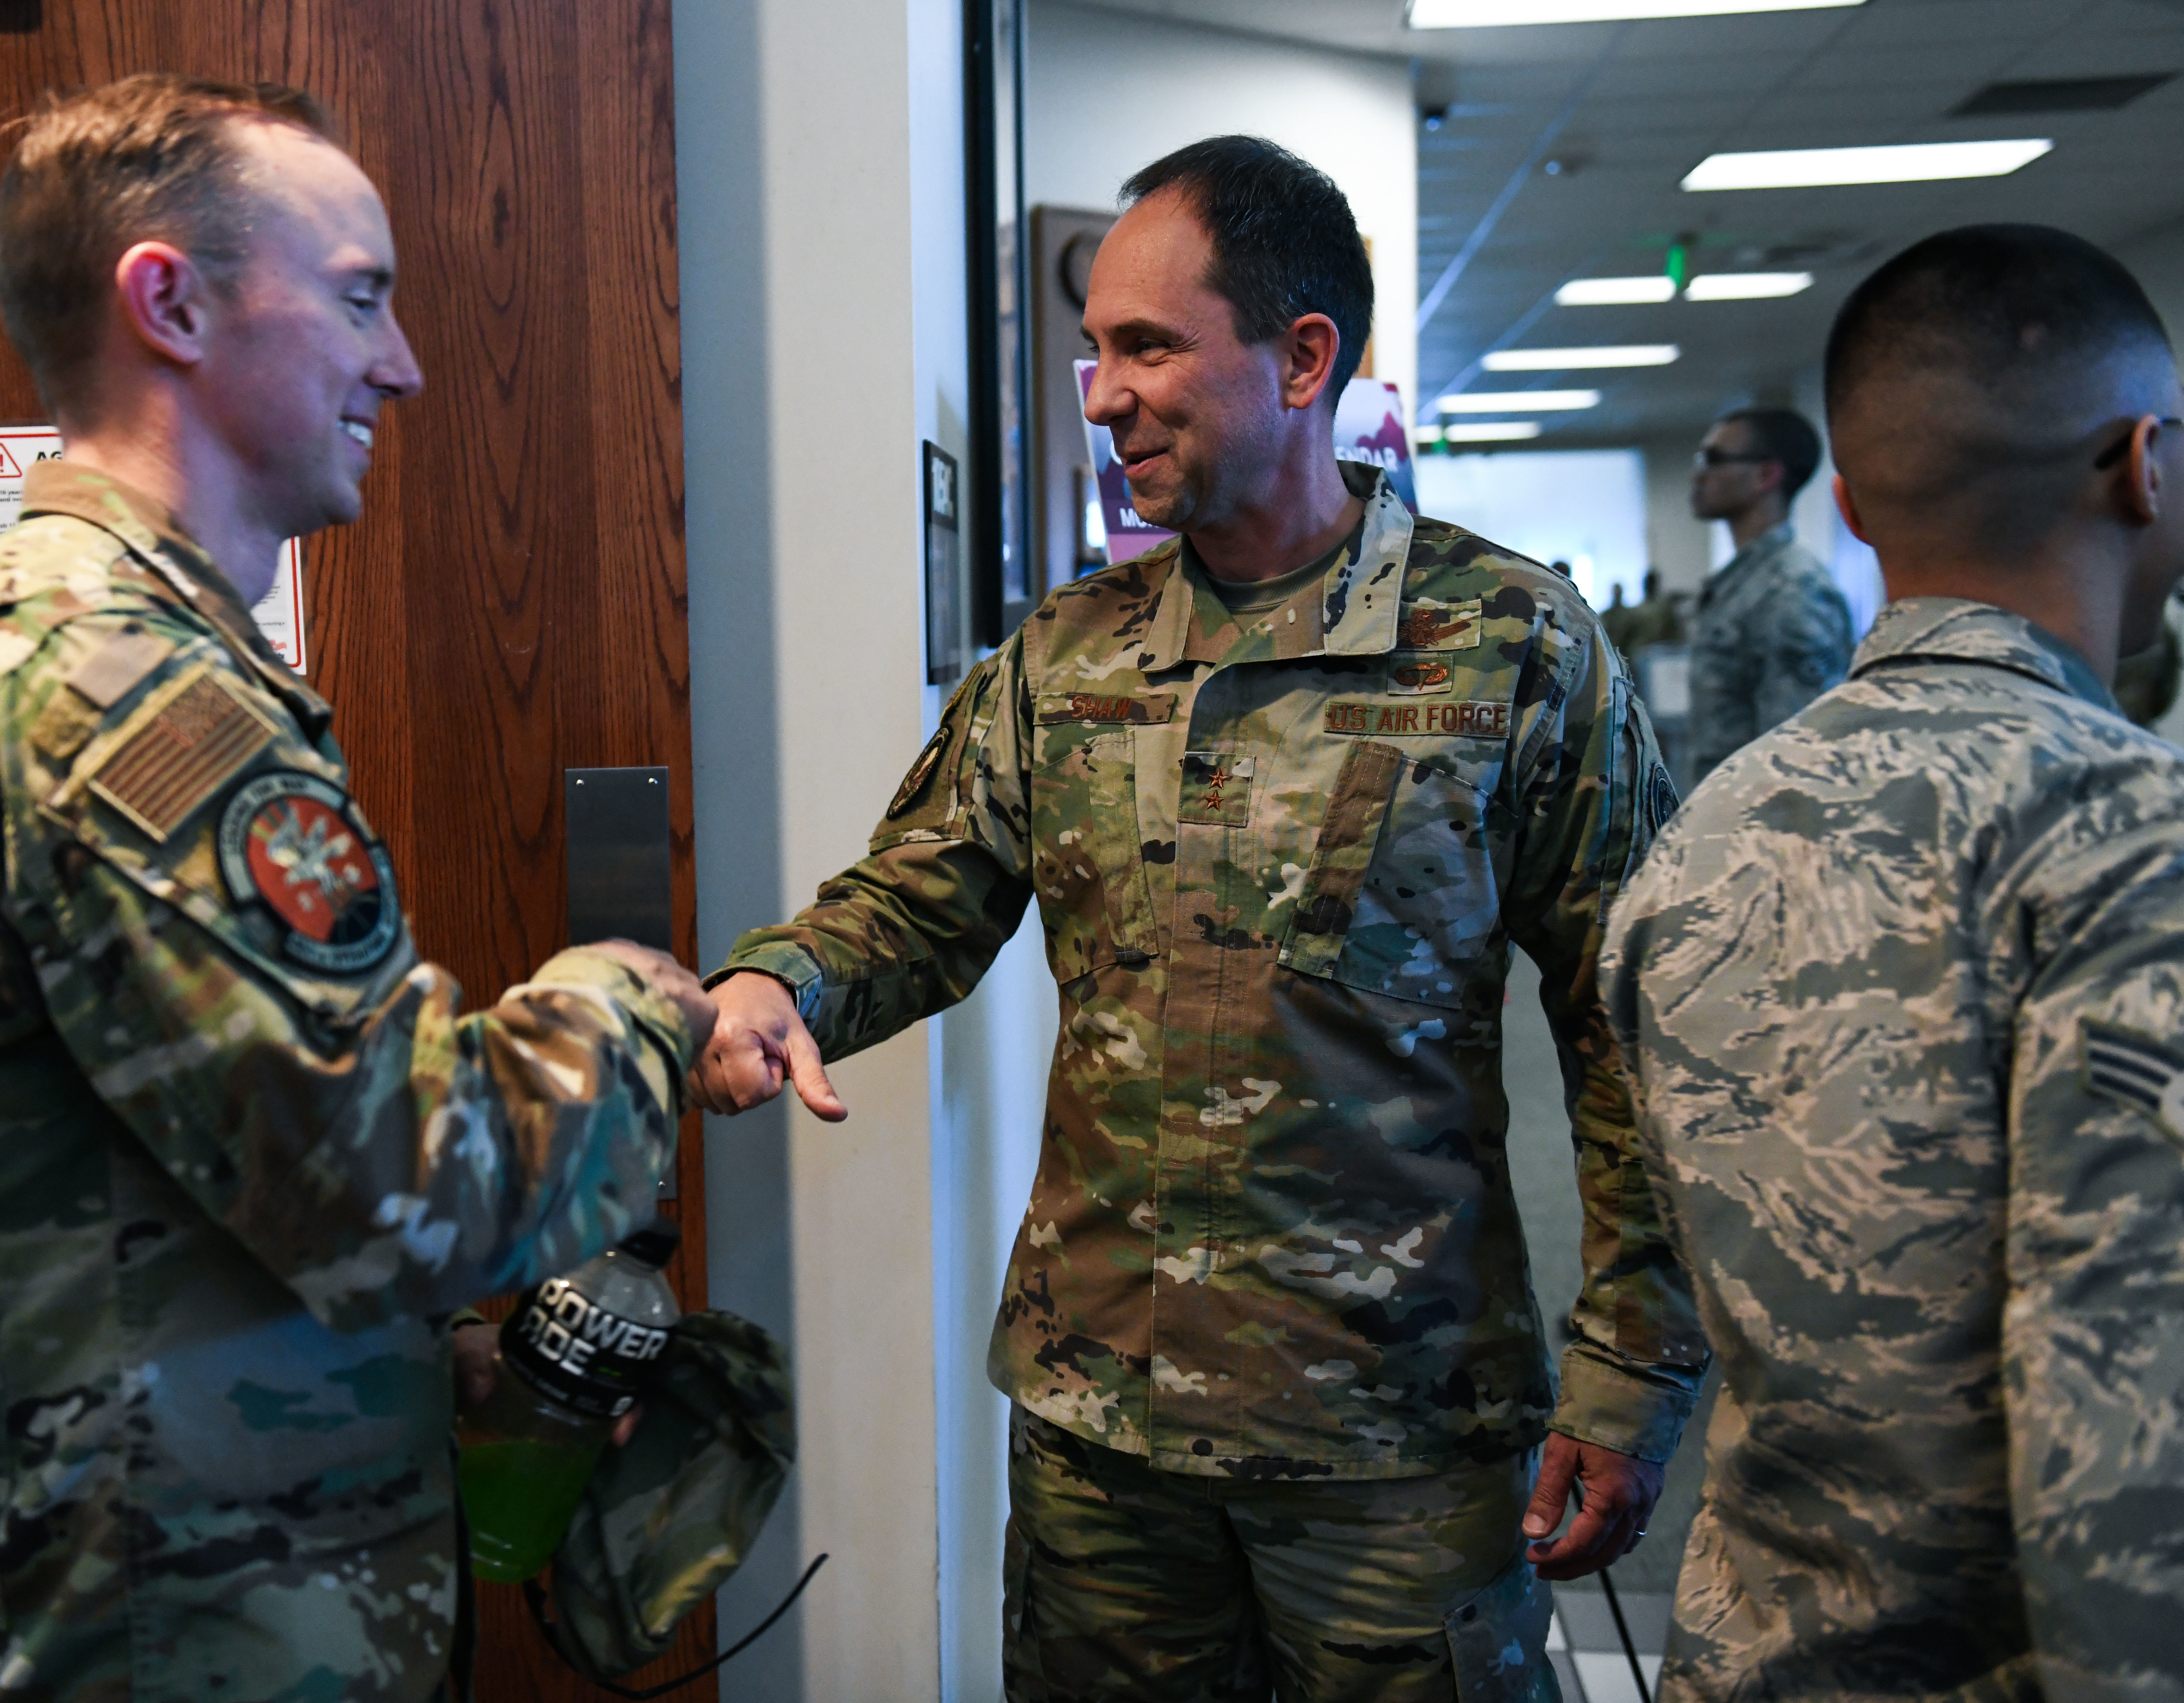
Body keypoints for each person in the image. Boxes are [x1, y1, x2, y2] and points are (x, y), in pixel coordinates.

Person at [695, 135, 1708, 1701]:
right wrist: (782, 986)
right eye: (1092, 349)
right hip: (1104, 1440)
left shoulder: (1505, 642)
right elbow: (917, 895)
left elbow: (1635, 1023)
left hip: (1391, 1446)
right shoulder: (1065, 654)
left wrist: (1632, 1364)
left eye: (1146, 347)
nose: (1098, 395)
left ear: (1302, 358)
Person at [0, 74, 712, 1702]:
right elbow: (402, 1182)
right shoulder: (101, 683)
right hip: (125, 1642)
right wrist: (633, 996)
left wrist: (408, 1359)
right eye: (361, 296)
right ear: (170, 300)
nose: (403, 360)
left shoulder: (142, 661)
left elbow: (161, 1179)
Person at [1603, 224, 2184, 1701]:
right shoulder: (2125, 832)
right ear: (2146, 464)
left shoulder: (1698, 842)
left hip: (1754, 1656)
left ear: (1848, 506)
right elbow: (2125, 1434)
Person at [1683, 406, 1855, 783]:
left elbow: (1800, 755)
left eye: (1714, 460)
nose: (1699, 474)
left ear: (1766, 475)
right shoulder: (1746, 583)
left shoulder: (1792, 590)